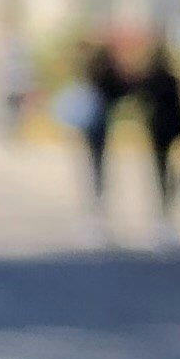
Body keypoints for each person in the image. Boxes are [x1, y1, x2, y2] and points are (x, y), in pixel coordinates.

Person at [55, 40, 126, 230]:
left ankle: (95, 200)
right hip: (98, 121)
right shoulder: (103, 73)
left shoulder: (91, 71)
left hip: (94, 121)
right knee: (97, 162)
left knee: (93, 162)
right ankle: (97, 199)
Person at [134, 36, 180, 241]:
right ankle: (165, 211)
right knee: (169, 171)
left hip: (157, 129)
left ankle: (161, 213)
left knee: (160, 170)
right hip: (170, 129)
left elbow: (141, 103)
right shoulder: (170, 79)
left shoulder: (150, 79)